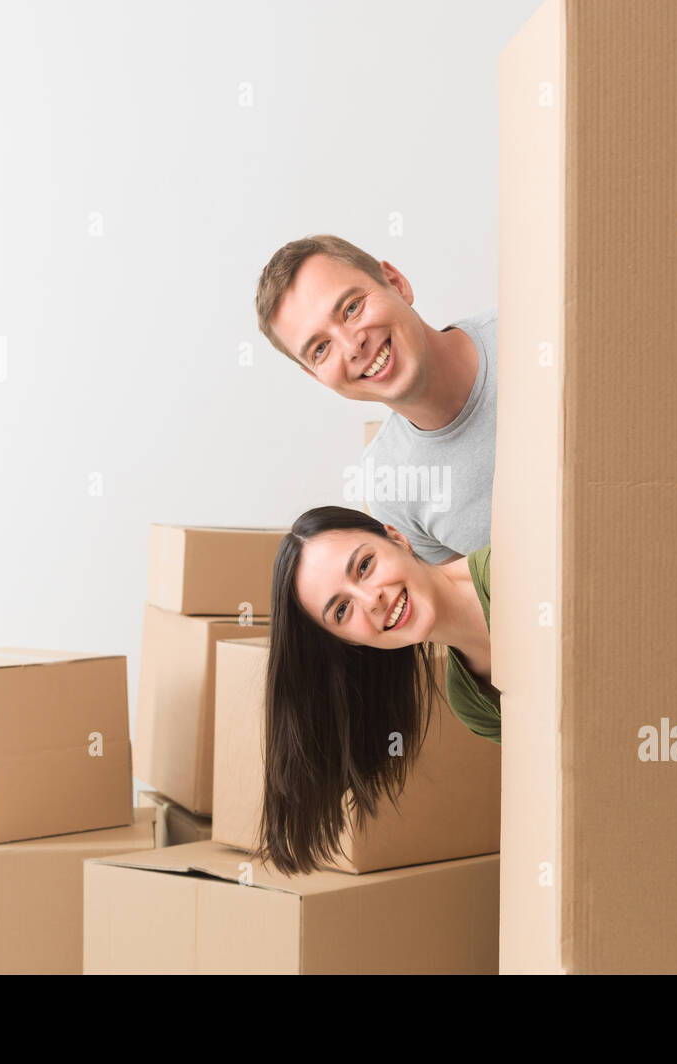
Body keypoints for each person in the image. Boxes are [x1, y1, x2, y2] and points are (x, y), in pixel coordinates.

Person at [253, 505, 498, 876]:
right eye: (341, 611)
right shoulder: (471, 701)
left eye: (364, 566)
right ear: (348, 642)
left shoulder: (515, 569)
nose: (371, 601)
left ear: (397, 537)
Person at [255, 234, 496, 564]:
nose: (352, 347)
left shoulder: (533, 332)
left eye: (351, 308)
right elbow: (470, 604)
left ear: (396, 283)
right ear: (315, 376)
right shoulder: (392, 486)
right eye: (321, 349)